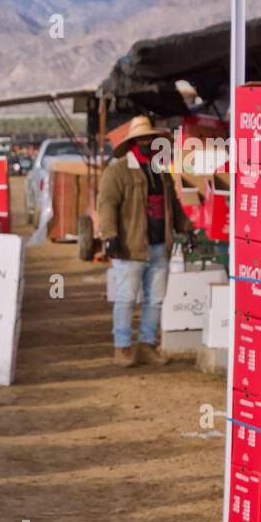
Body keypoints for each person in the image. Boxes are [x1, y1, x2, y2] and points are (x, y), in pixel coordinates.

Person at [96, 115, 193, 368]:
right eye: (142, 139)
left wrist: (186, 227)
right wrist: (110, 236)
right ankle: (123, 347)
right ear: (132, 142)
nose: (147, 142)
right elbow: (106, 205)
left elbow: (173, 203)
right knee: (126, 297)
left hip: (160, 244)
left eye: (150, 138)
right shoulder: (117, 170)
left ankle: (147, 345)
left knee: (156, 299)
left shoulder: (159, 170)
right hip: (130, 245)